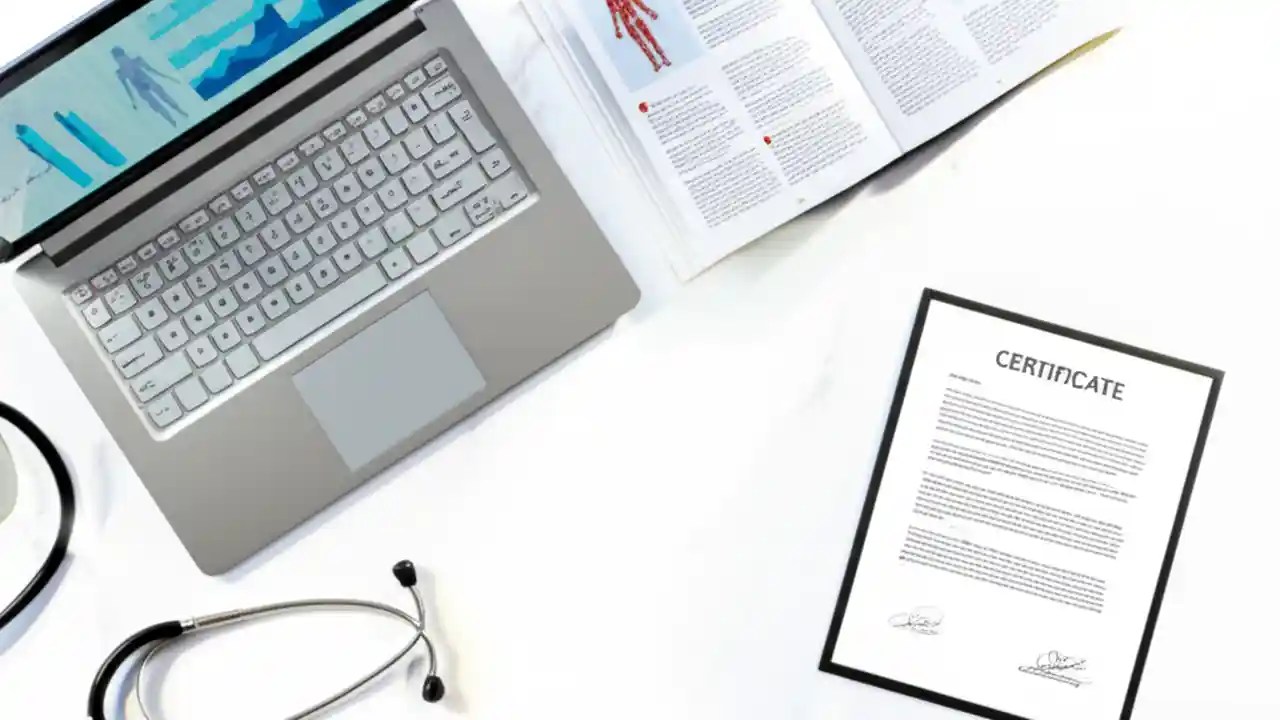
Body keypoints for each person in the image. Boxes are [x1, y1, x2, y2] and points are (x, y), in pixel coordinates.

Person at [112, 47, 189, 127]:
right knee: (159, 100)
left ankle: (174, 117)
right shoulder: (132, 64)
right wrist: (133, 101)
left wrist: (133, 101)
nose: (121, 60)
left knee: (159, 99)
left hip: (144, 85)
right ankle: (173, 118)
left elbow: (151, 70)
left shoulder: (127, 67)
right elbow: (151, 70)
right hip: (144, 85)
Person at [608, 0, 672, 73]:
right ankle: (654, 63)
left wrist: (649, 11)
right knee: (641, 43)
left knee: (650, 38)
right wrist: (617, 29)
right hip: (628, 23)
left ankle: (663, 58)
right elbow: (613, 14)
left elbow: (637, 2)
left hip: (635, 18)